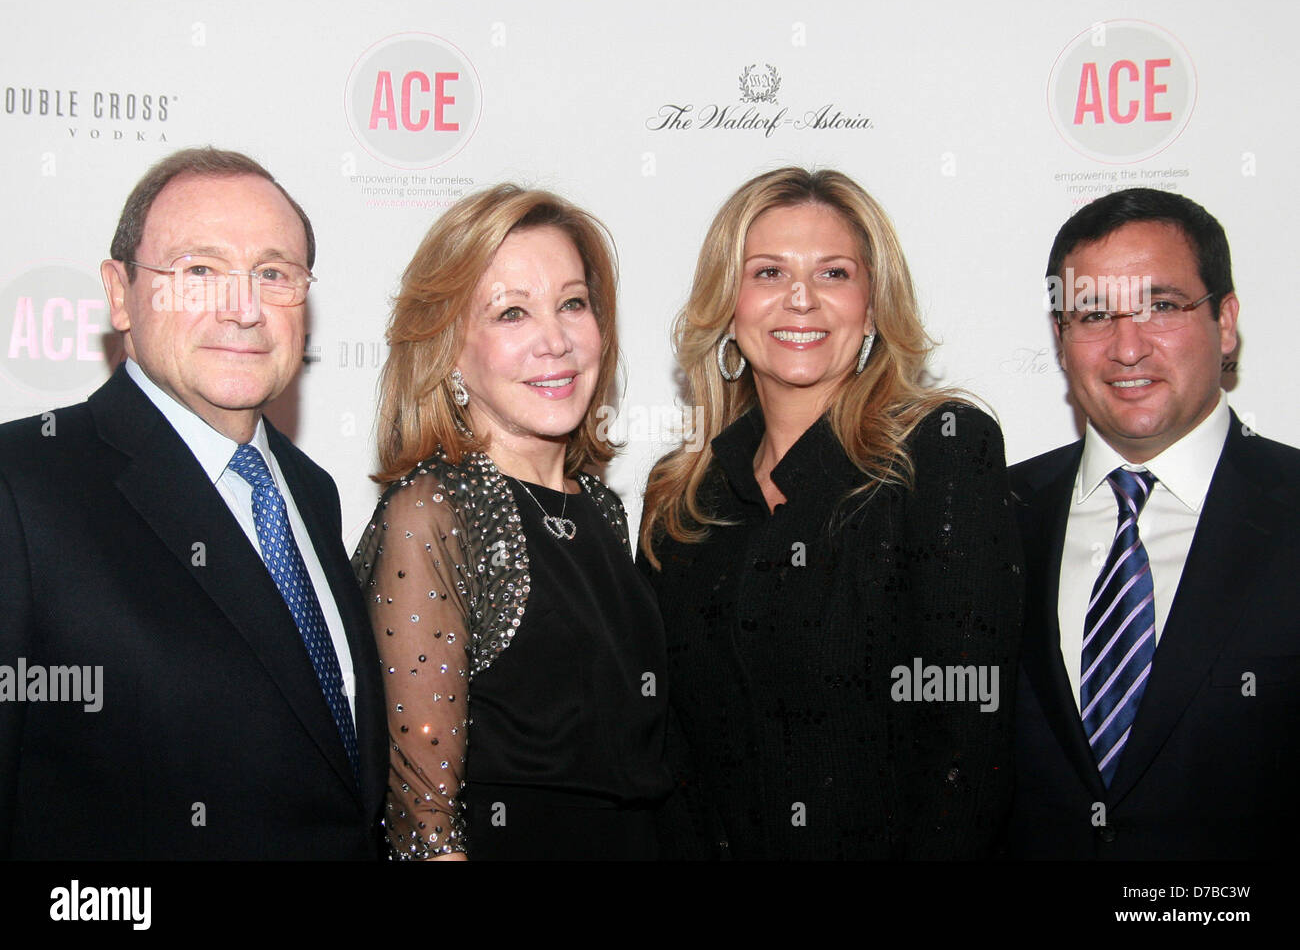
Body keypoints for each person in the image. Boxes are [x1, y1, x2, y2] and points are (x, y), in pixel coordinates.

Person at [0, 147, 387, 859]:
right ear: (119, 294)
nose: (243, 309)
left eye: (273, 274)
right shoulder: (21, 485)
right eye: (198, 271)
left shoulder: (311, 492)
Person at [639, 167, 1023, 859]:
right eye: (767, 273)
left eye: (835, 274)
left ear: (873, 307)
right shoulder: (680, 501)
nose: (801, 300)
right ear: (727, 304)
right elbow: (668, 750)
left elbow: (969, 738)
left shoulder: (941, 453)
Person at [353, 184, 671, 860]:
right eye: (512, 314)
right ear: (450, 350)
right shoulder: (435, 510)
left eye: (572, 304)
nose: (553, 341)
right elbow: (424, 824)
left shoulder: (603, 510)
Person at [1005, 188, 1300, 859]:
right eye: (1093, 315)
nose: (1127, 348)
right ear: (1061, 339)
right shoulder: (990, 516)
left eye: (1161, 307)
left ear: (1225, 323)